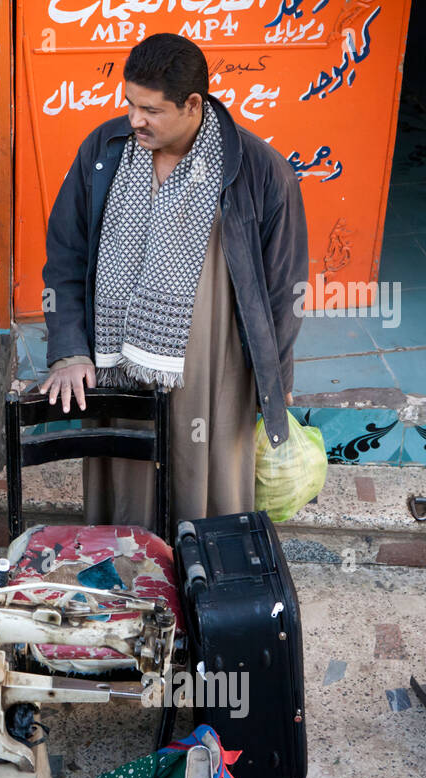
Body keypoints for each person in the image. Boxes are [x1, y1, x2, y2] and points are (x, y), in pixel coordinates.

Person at [39, 33, 307, 533]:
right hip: (117, 364)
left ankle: (204, 597)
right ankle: (130, 589)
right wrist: (70, 349)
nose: (135, 119)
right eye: (129, 104)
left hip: (215, 369)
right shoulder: (104, 149)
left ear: (192, 105)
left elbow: (284, 288)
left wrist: (276, 383)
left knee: (209, 492)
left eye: (151, 110)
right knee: (126, 491)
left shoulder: (258, 170)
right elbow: (66, 254)